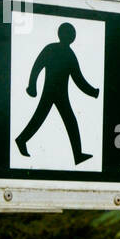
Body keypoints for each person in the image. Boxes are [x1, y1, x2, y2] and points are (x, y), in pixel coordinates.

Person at [15, 22, 100, 164]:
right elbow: (38, 66)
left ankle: (77, 154)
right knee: (58, 119)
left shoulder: (61, 52)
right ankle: (22, 140)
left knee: (59, 119)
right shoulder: (58, 51)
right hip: (53, 92)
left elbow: (78, 79)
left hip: (59, 93)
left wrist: (93, 92)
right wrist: (31, 86)